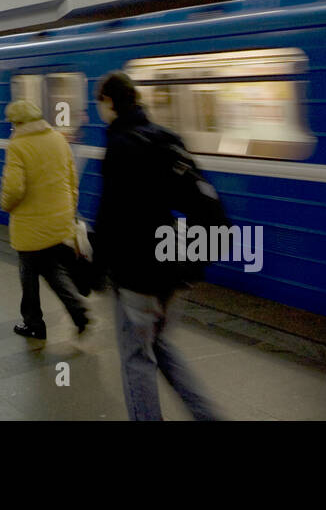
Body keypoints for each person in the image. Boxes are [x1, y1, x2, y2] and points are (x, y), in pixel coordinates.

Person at [93, 71, 221, 421]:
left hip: (136, 272)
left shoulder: (120, 145)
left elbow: (109, 217)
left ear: (108, 102)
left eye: (100, 103)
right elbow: (201, 201)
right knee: (160, 346)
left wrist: (95, 272)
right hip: (171, 267)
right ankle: (208, 415)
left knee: (137, 358)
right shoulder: (165, 138)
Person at [0, 100, 89, 340]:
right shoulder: (58, 139)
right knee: (52, 270)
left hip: (30, 226)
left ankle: (33, 324)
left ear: (17, 122)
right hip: (59, 222)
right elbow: (72, 180)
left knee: (28, 275)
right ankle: (79, 312)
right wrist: (69, 210)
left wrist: (5, 204)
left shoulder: (18, 146)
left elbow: (14, 190)